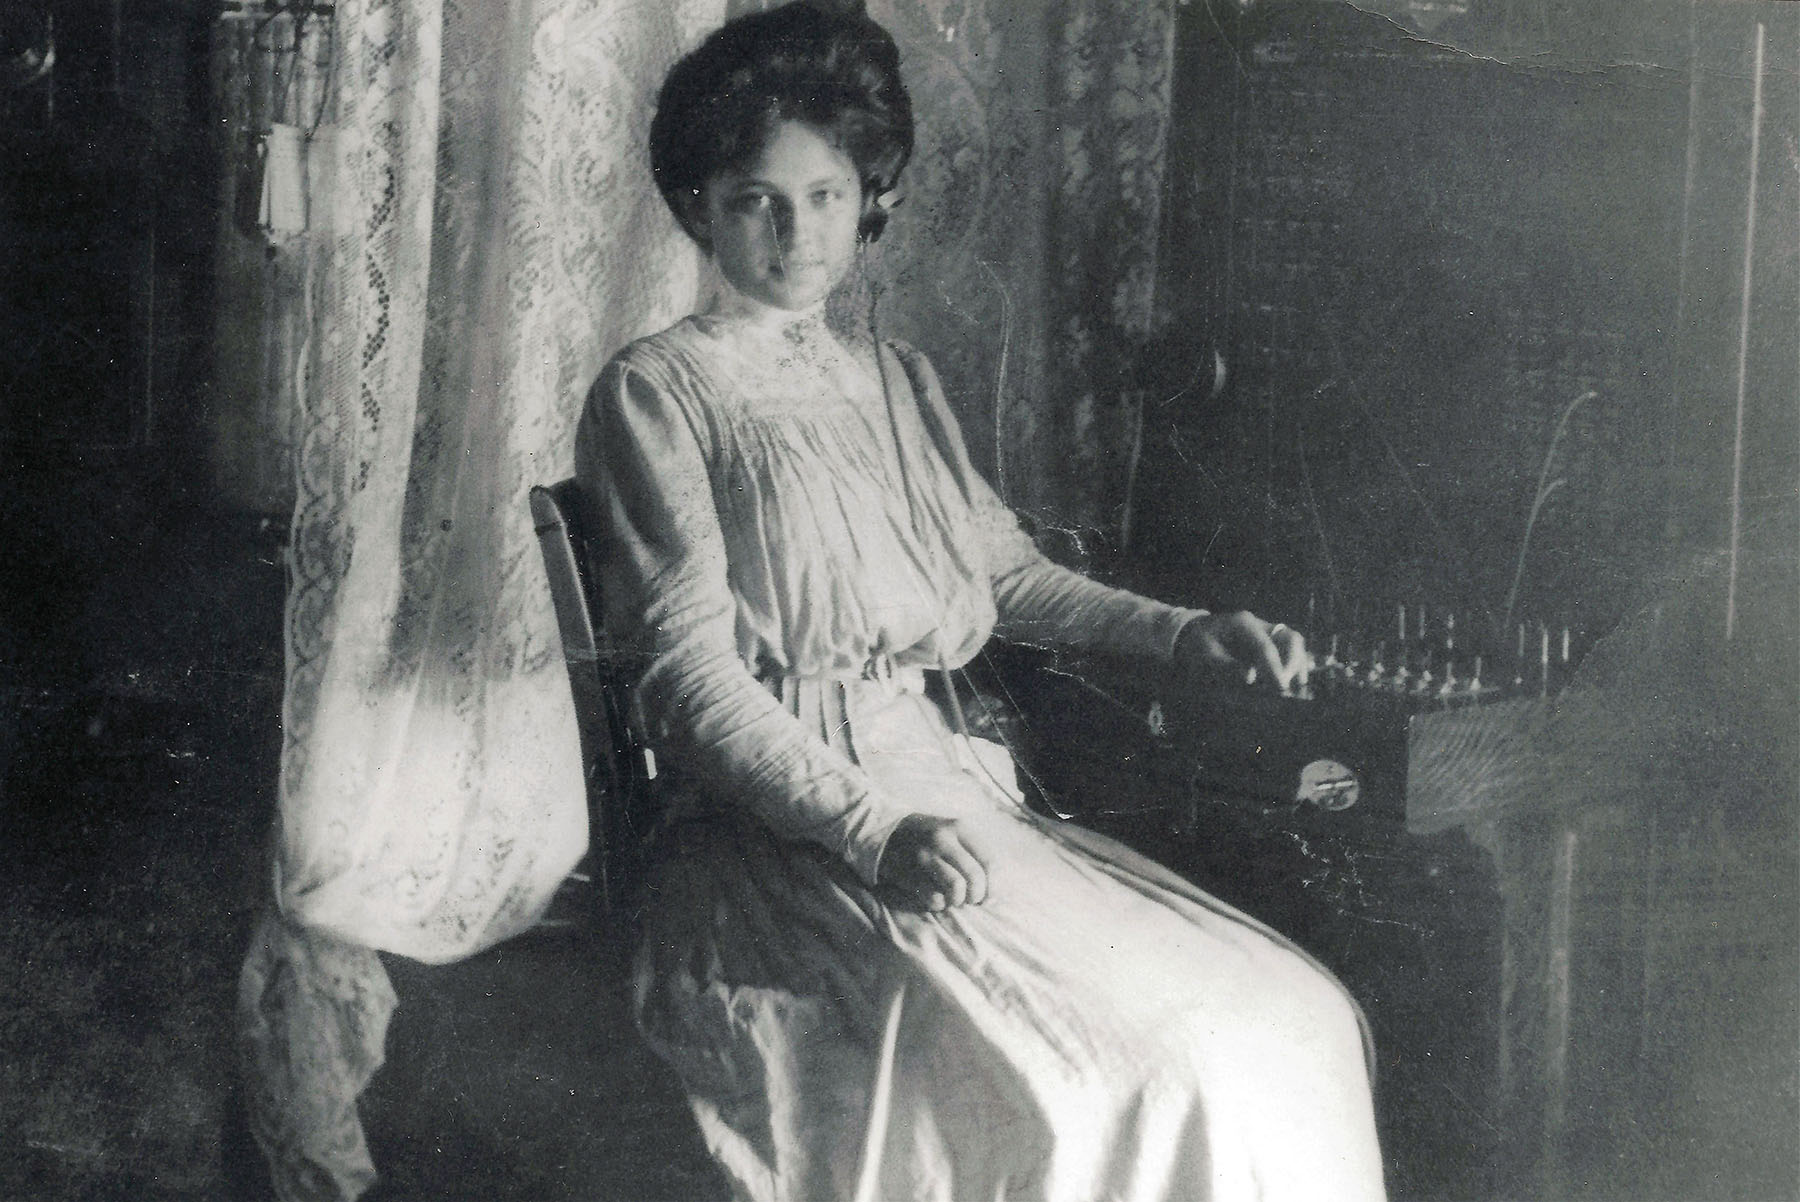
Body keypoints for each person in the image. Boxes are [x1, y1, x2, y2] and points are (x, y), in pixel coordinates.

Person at [574, 5, 1387, 1198]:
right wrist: (872, 828)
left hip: (946, 799)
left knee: (1292, 1013)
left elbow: (1003, 574)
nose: (797, 234)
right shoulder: (657, 390)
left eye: (826, 195)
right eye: (756, 200)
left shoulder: (893, 379)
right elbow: (687, 681)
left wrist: (1182, 634)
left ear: (869, 198)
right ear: (700, 205)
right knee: (1117, 1071)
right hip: (782, 840)